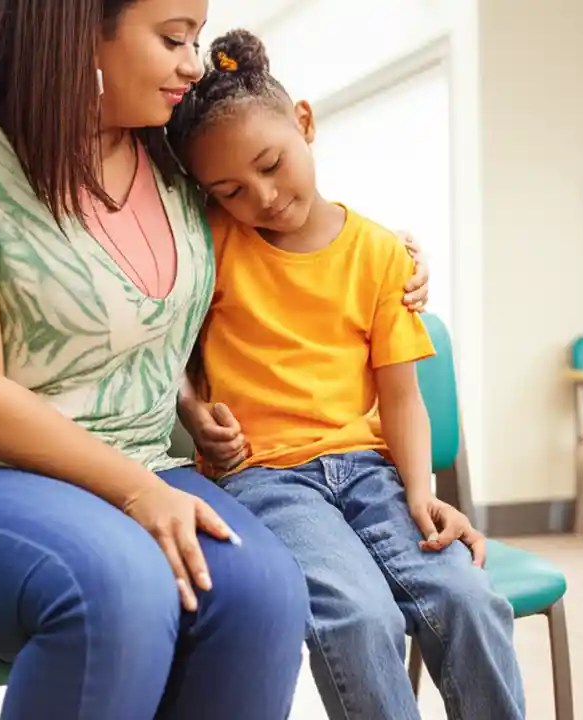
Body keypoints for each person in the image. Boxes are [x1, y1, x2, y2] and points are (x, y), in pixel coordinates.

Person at [0, 1, 430, 719]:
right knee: (116, 587)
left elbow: (282, 244)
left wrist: (394, 256)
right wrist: (135, 490)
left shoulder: (174, 162)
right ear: (78, 27)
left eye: (196, 38)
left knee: (264, 591)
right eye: (173, 38)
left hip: (142, 467)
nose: (193, 61)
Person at [168, 30, 526, 720]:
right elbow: (165, 349)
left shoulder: (382, 253)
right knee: (359, 617)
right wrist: (191, 409)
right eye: (231, 190)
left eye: (271, 164)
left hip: (369, 470)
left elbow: (402, 396)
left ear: (304, 122)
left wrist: (421, 493)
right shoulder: (210, 239)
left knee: (469, 599)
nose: (263, 198)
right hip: (265, 479)